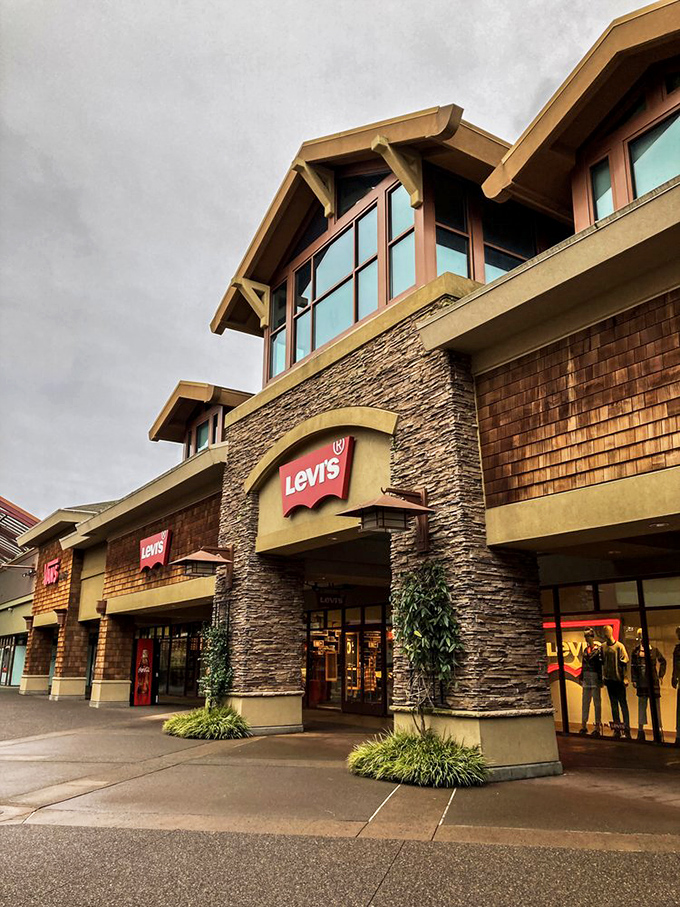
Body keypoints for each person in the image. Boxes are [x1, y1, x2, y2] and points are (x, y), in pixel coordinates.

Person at [579, 628, 603, 737]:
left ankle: (597, 726)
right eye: (585, 637)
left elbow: (600, 666)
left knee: (596, 703)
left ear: (592, 637)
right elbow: (583, 665)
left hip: (594, 676)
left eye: (587, 636)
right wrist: (581, 676)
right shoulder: (585, 650)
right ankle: (583, 724)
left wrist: (601, 679)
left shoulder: (598, 650)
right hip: (587, 676)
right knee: (585, 701)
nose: (586, 639)